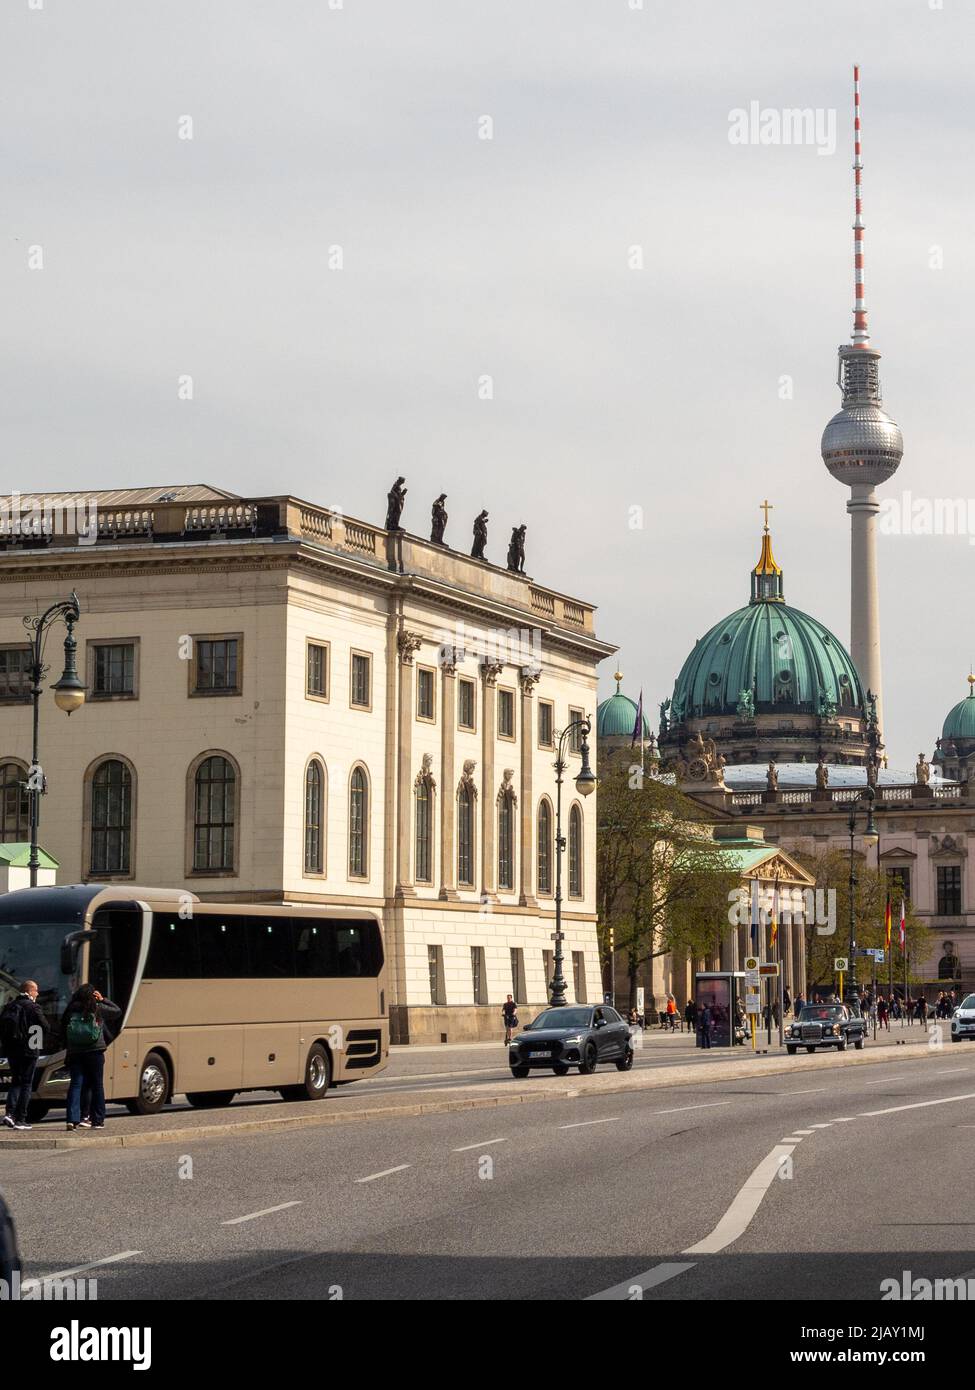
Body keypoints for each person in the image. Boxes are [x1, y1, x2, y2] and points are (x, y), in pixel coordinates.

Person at [62, 985, 122, 1132]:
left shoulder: (70, 1010)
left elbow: (62, 1029)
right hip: (95, 1051)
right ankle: (98, 1120)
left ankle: (72, 1119)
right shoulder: (97, 1008)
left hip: (75, 1052)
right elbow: (117, 1011)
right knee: (97, 1086)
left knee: (75, 1085)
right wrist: (103, 999)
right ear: (92, 995)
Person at [1, 981, 46, 1131]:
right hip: (30, 1049)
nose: (38, 994)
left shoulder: (10, 1006)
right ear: (29, 991)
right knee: (27, 1084)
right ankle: (21, 1119)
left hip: (12, 1050)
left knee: (16, 1082)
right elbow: (45, 1026)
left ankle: (9, 1113)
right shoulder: (33, 1007)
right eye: (36, 991)